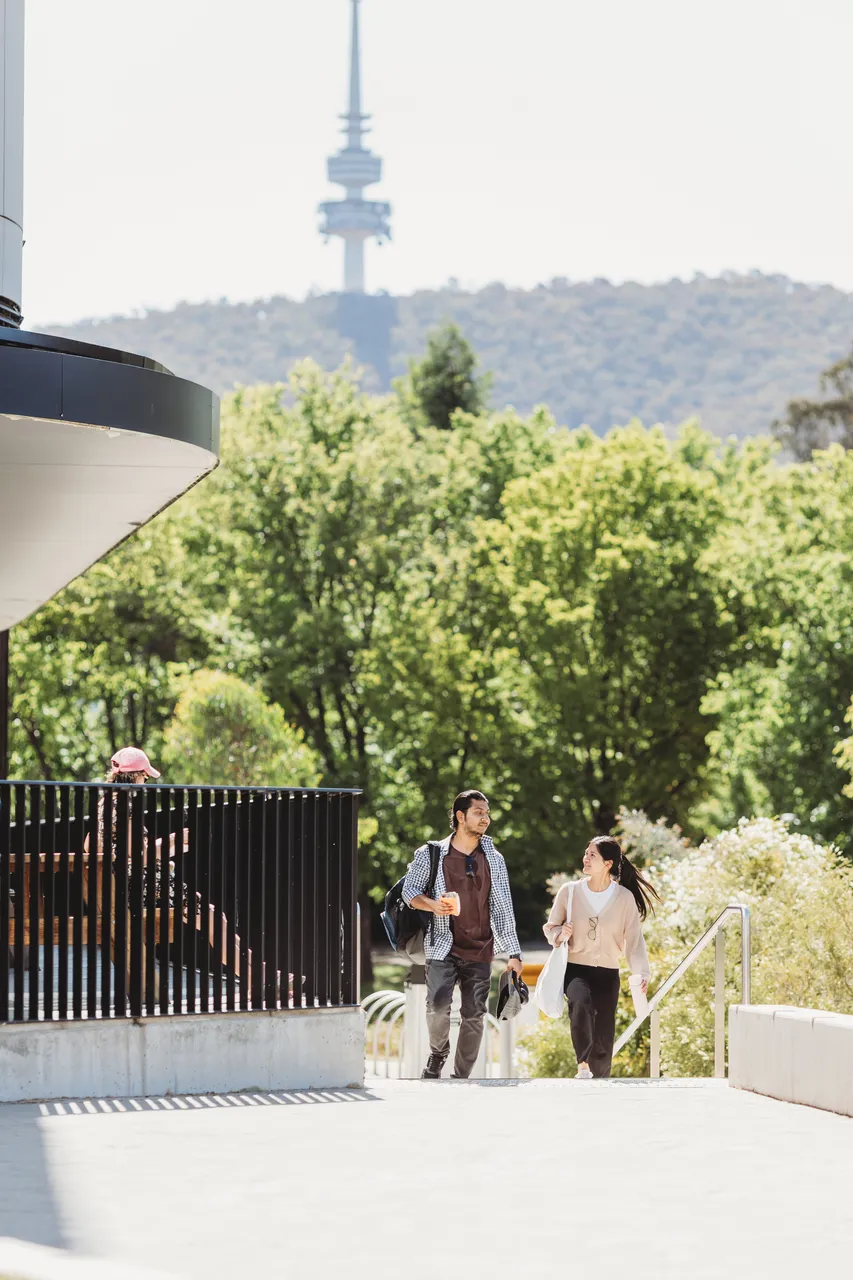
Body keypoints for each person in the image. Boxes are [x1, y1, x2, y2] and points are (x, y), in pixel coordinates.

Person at [402, 789, 523, 1079]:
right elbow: (410, 892)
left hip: (481, 948)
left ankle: (460, 1077)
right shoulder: (431, 853)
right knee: (438, 1006)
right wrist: (433, 906)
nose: (486, 818)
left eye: (487, 812)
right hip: (442, 945)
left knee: (474, 1015)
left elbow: (503, 907)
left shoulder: (493, 858)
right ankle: (438, 1053)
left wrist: (514, 953)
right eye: (479, 812)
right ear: (460, 816)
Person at [543, 835, 659, 1080]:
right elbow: (550, 927)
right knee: (581, 1004)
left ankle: (601, 1080)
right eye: (586, 853)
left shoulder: (624, 898)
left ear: (608, 863)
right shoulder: (570, 892)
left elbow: (634, 942)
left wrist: (641, 974)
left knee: (605, 1038)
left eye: (592, 855)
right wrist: (560, 933)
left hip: (608, 972)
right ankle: (582, 1064)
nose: (585, 858)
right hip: (576, 968)